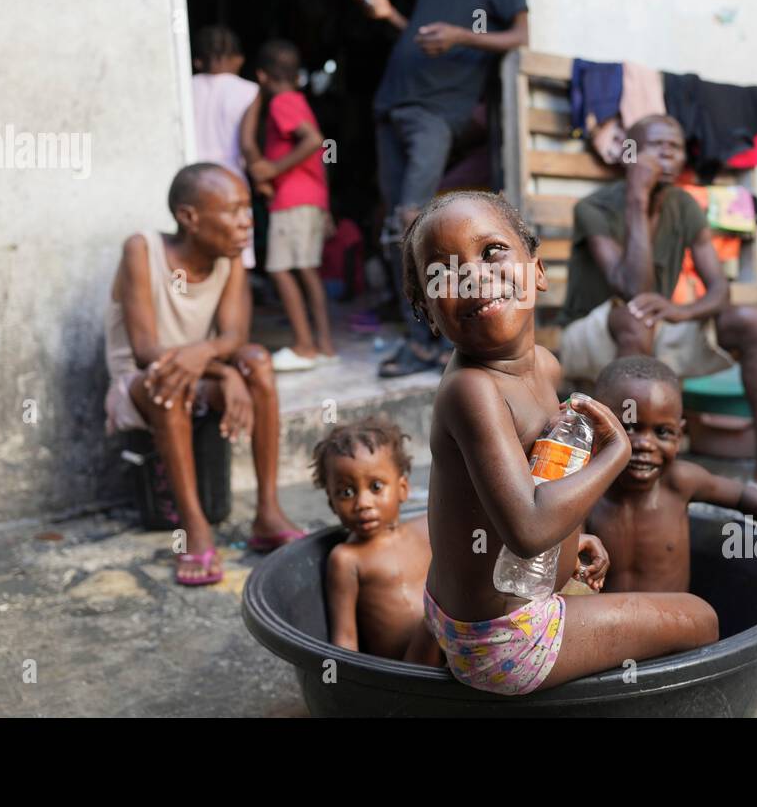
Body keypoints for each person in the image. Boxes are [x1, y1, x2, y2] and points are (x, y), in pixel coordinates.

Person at [401, 190, 718, 696]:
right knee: (699, 618)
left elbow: (543, 475)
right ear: (428, 314)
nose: (475, 277)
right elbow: (527, 527)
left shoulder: (546, 367)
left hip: (466, 610)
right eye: (443, 273)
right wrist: (614, 456)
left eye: (492, 252)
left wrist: (571, 544)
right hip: (503, 642)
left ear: (539, 272)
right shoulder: (472, 390)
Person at [559, 114, 757, 499]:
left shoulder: (684, 205)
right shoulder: (594, 207)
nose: (668, 155)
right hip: (589, 336)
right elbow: (632, 287)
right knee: (635, 316)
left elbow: (718, 292)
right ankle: (622, 474)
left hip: (655, 327)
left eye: (675, 147)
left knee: (752, 319)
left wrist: (683, 312)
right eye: (656, 146)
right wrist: (636, 199)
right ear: (629, 156)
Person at [358, 0, 529, 378]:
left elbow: (520, 33)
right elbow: (421, 34)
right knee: (397, 223)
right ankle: (423, 337)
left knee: (414, 220)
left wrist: (462, 35)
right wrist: (391, 16)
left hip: (436, 111)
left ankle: (433, 342)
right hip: (395, 103)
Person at [104, 164, 304, 585]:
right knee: (168, 382)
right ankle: (195, 528)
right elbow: (144, 352)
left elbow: (233, 336)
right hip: (143, 383)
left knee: (257, 363)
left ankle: (267, 512)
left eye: (248, 208)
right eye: (233, 210)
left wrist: (217, 365)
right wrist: (218, 370)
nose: (247, 221)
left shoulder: (230, 258)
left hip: (200, 375)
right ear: (189, 217)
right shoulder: (141, 250)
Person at [587, 357, 757, 593]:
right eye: (628, 428)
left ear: (680, 434)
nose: (645, 443)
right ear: (595, 425)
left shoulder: (680, 482)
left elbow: (742, 495)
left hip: (669, 622)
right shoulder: (584, 490)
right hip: (600, 624)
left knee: (704, 615)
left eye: (662, 432)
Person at [240, 40, 336, 372]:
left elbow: (313, 140)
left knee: (280, 270)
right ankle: (323, 345)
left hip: (292, 200)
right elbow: (320, 154)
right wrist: (325, 207)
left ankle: (304, 346)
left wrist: (272, 169)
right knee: (307, 271)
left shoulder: (281, 102)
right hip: (308, 198)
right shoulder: (297, 99)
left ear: (262, 76)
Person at [313, 418, 440, 664]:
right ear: (331, 503)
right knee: (437, 621)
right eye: (346, 492)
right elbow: (345, 638)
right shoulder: (348, 559)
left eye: (376, 486)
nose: (363, 503)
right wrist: (346, 686)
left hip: (450, 652)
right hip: (407, 670)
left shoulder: (425, 527)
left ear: (403, 488)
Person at [190, 26, 263, 269]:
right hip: (231, 179)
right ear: (238, 59)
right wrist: (263, 178)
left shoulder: (185, 86)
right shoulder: (249, 90)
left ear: (198, 61)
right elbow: (247, 144)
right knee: (236, 258)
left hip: (192, 176)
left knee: (195, 252)